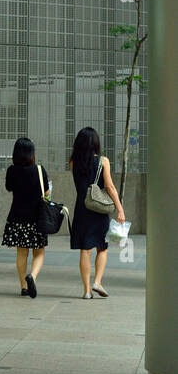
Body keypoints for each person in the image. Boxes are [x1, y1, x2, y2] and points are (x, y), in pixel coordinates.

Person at [68, 127, 126, 300]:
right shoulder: (103, 161)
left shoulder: (73, 162)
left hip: (82, 208)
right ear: (96, 143)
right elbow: (109, 187)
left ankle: (86, 291)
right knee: (102, 247)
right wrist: (120, 209)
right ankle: (97, 282)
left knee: (85, 250)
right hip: (98, 209)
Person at [3, 137, 50, 298]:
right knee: (39, 252)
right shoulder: (39, 169)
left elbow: (9, 188)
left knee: (21, 253)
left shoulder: (11, 170)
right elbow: (46, 193)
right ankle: (33, 277)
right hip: (37, 218)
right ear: (32, 153)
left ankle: (23, 286)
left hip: (17, 217)